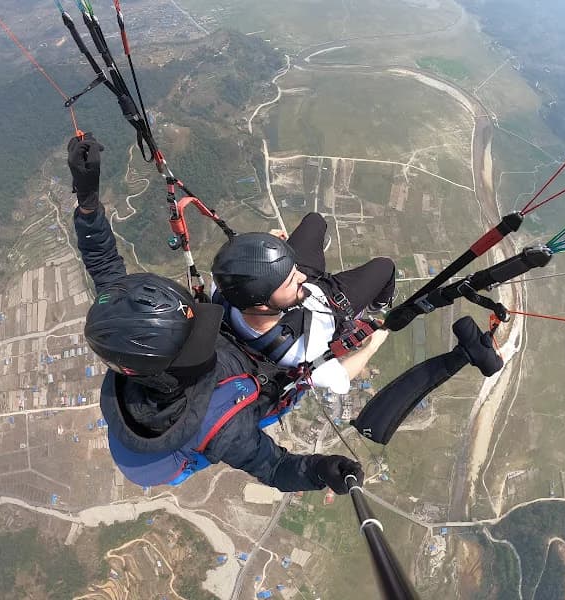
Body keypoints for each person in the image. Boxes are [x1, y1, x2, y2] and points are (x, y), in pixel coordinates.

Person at [68, 133, 363, 493]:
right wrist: (320, 471)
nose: (207, 328)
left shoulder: (127, 331)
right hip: (247, 389)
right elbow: (275, 467)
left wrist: (87, 199)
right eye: (195, 340)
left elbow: (102, 262)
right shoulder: (223, 427)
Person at [211, 213, 395, 394]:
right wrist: (373, 345)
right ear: (262, 305)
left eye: (295, 272)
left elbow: (238, 264)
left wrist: (265, 252)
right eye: (292, 278)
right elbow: (342, 380)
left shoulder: (225, 288)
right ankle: (376, 304)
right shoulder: (301, 353)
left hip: (293, 288)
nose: (302, 277)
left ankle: (289, 270)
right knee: (386, 266)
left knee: (314, 221)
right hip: (334, 301)